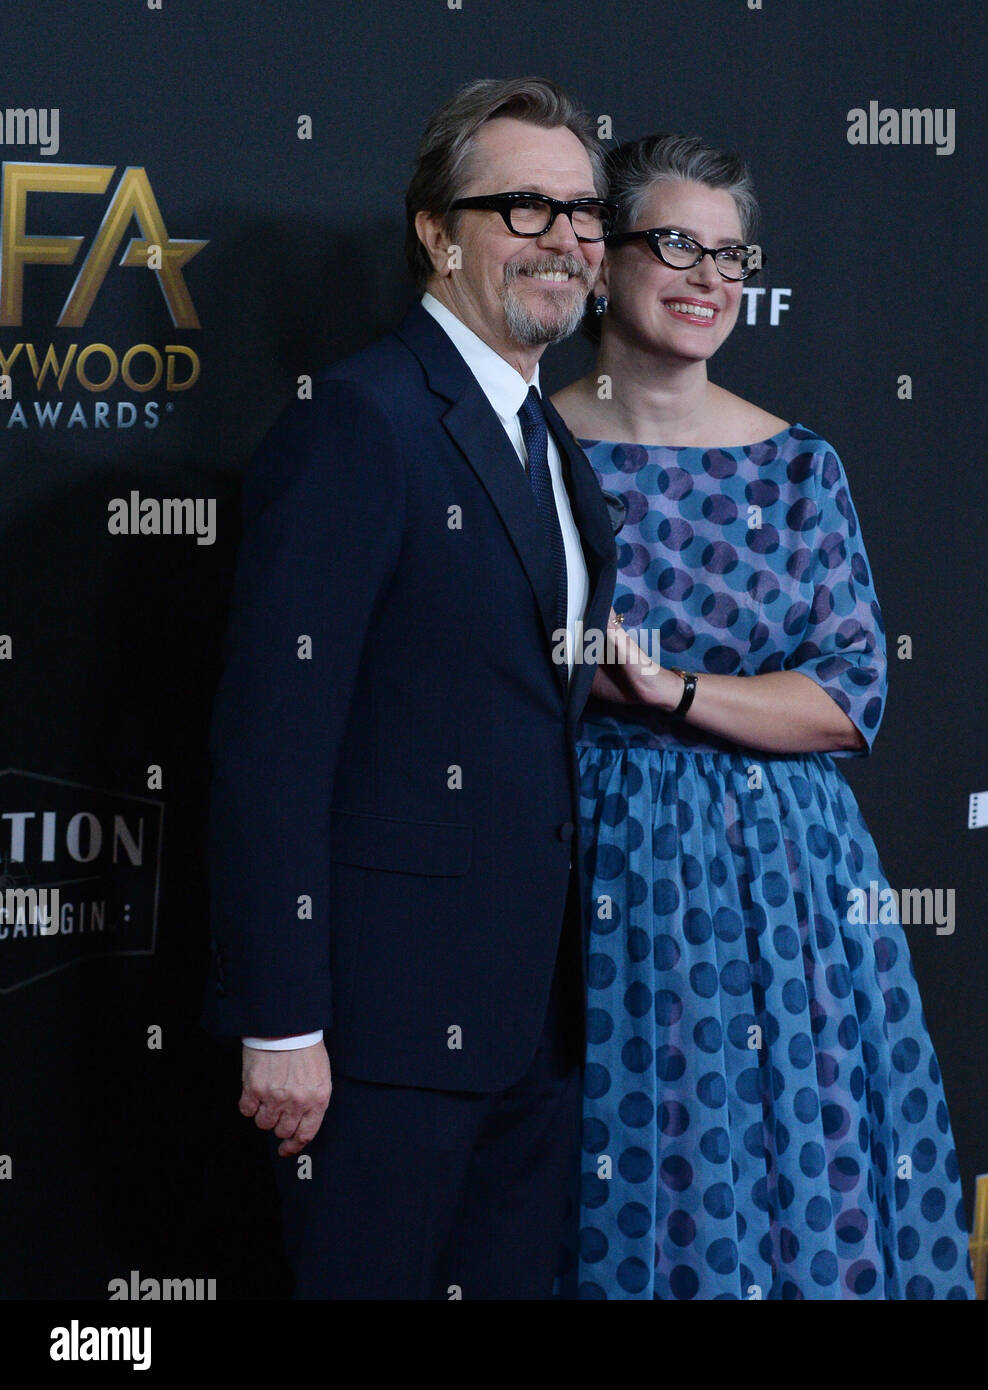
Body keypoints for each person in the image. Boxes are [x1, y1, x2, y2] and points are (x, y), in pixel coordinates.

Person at [201, 76, 619, 1299]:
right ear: (438, 234)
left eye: (586, 214)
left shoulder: (555, 448)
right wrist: (282, 1023)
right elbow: (274, 739)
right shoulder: (362, 422)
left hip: (533, 1030)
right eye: (524, 206)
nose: (564, 240)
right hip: (374, 1044)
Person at [550, 133, 974, 1299]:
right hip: (587, 874)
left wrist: (670, 691)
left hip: (789, 893)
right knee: (622, 1171)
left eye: (732, 257)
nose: (708, 279)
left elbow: (848, 699)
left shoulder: (800, 468)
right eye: (677, 243)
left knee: (801, 1176)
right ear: (600, 258)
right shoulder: (525, 450)